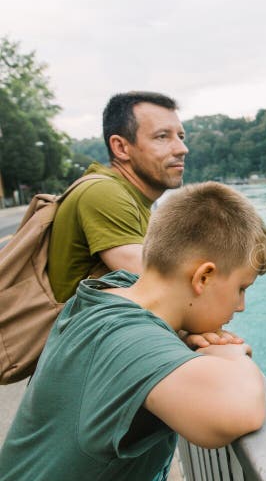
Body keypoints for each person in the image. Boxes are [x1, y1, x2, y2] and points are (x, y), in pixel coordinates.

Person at [0, 182, 266, 481]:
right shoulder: (125, 339)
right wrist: (232, 354)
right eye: (242, 288)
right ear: (203, 277)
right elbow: (236, 411)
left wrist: (180, 336)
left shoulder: (113, 292)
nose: (241, 306)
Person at [48, 91, 230, 348]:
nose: (182, 149)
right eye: (162, 137)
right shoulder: (103, 193)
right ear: (121, 147)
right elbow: (161, 282)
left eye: (180, 136)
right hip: (80, 355)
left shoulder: (135, 201)